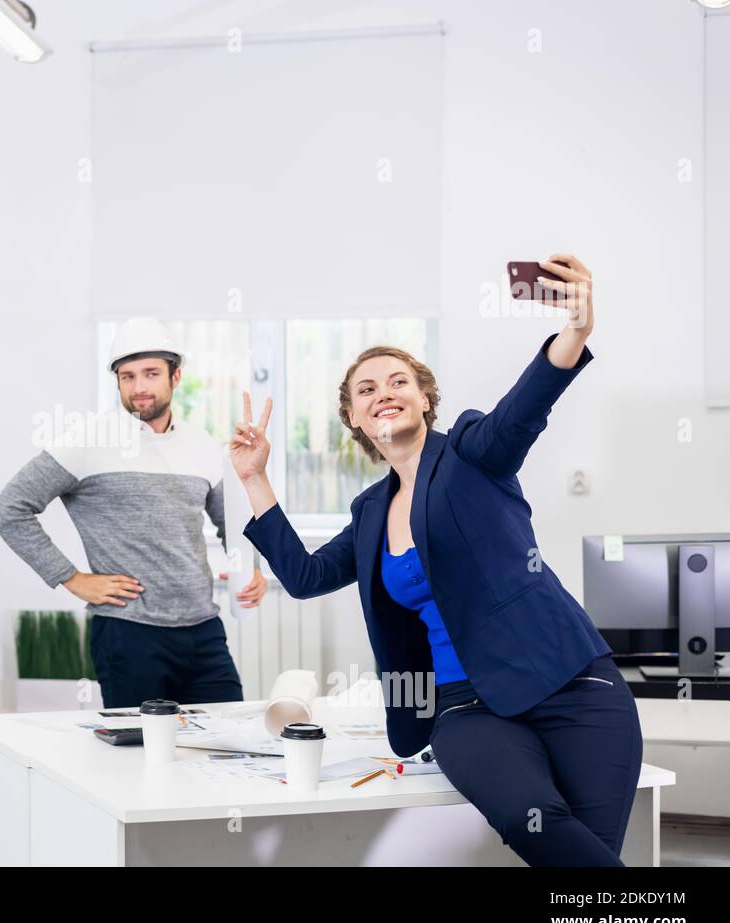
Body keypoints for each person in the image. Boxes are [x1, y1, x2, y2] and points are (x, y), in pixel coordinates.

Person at [231, 254, 643, 866]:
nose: (383, 394)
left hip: (574, 683)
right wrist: (255, 479)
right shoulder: (371, 511)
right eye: (365, 390)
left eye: (397, 381)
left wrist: (575, 331)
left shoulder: (473, 454)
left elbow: (524, 407)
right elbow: (306, 575)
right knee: (543, 827)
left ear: (425, 398)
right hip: (465, 708)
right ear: (354, 418)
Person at [0, 315, 265, 709]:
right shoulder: (85, 441)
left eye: (151, 373)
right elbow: (9, 510)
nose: (138, 388)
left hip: (204, 630)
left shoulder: (201, 445)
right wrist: (71, 578)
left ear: (175, 377)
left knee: (226, 745)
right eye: (127, 376)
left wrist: (250, 567)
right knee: (138, 759)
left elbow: (231, 524)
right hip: (128, 634)